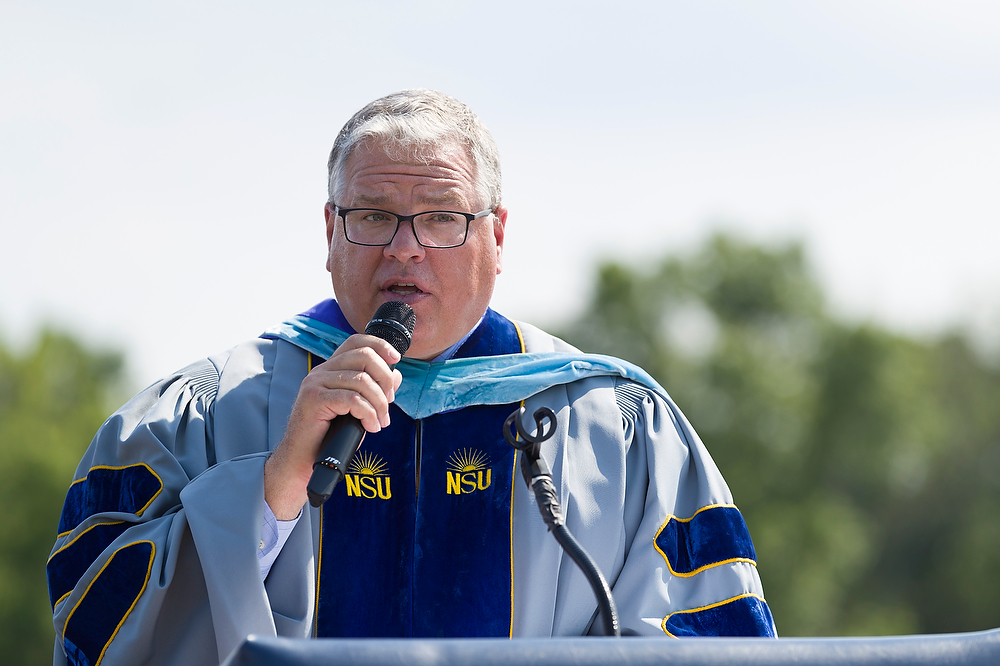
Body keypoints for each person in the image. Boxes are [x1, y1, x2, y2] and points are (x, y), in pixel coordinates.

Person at [47, 89, 776, 666]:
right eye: (373, 217)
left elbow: (713, 643)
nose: (406, 249)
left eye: (441, 218)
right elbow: (97, 631)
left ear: (496, 237)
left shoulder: (614, 426)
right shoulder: (203, 415)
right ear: (329, 232)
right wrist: (267, 493)